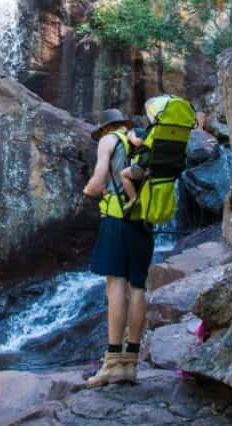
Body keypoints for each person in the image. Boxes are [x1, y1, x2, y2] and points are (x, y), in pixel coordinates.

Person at [82, 108, 154, 386]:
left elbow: (99, 180)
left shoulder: (108, 141)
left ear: (105, 128)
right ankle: (130, 364)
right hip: (143, 223)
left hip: (116, 221)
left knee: (115, 287)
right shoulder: (144, 140)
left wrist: (89, 190)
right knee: (137, 288)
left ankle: (112, 362)